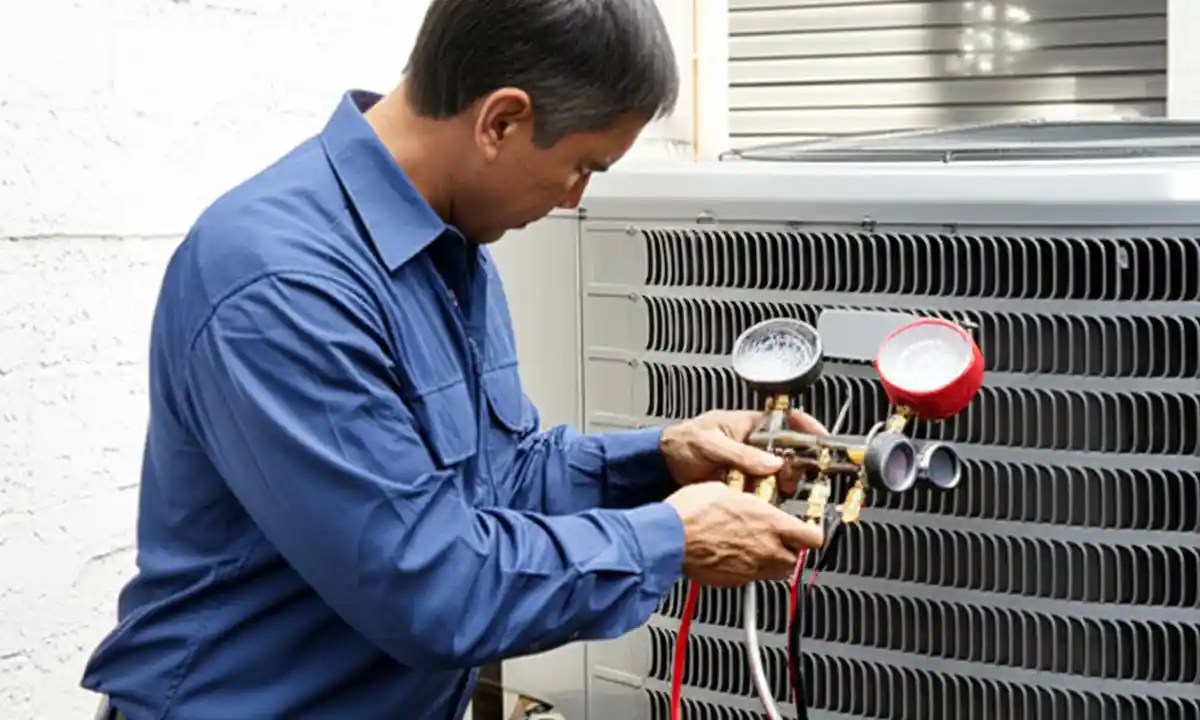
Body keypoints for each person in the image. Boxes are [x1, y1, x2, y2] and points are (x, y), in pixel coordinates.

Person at [80, 0, 827, 717]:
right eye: (582, 166)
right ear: (501, 121)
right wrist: (672, 539)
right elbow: (431, 587)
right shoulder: (281, 282)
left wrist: (662, 460)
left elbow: (499, 477)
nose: (574, 199)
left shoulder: (451, 243)